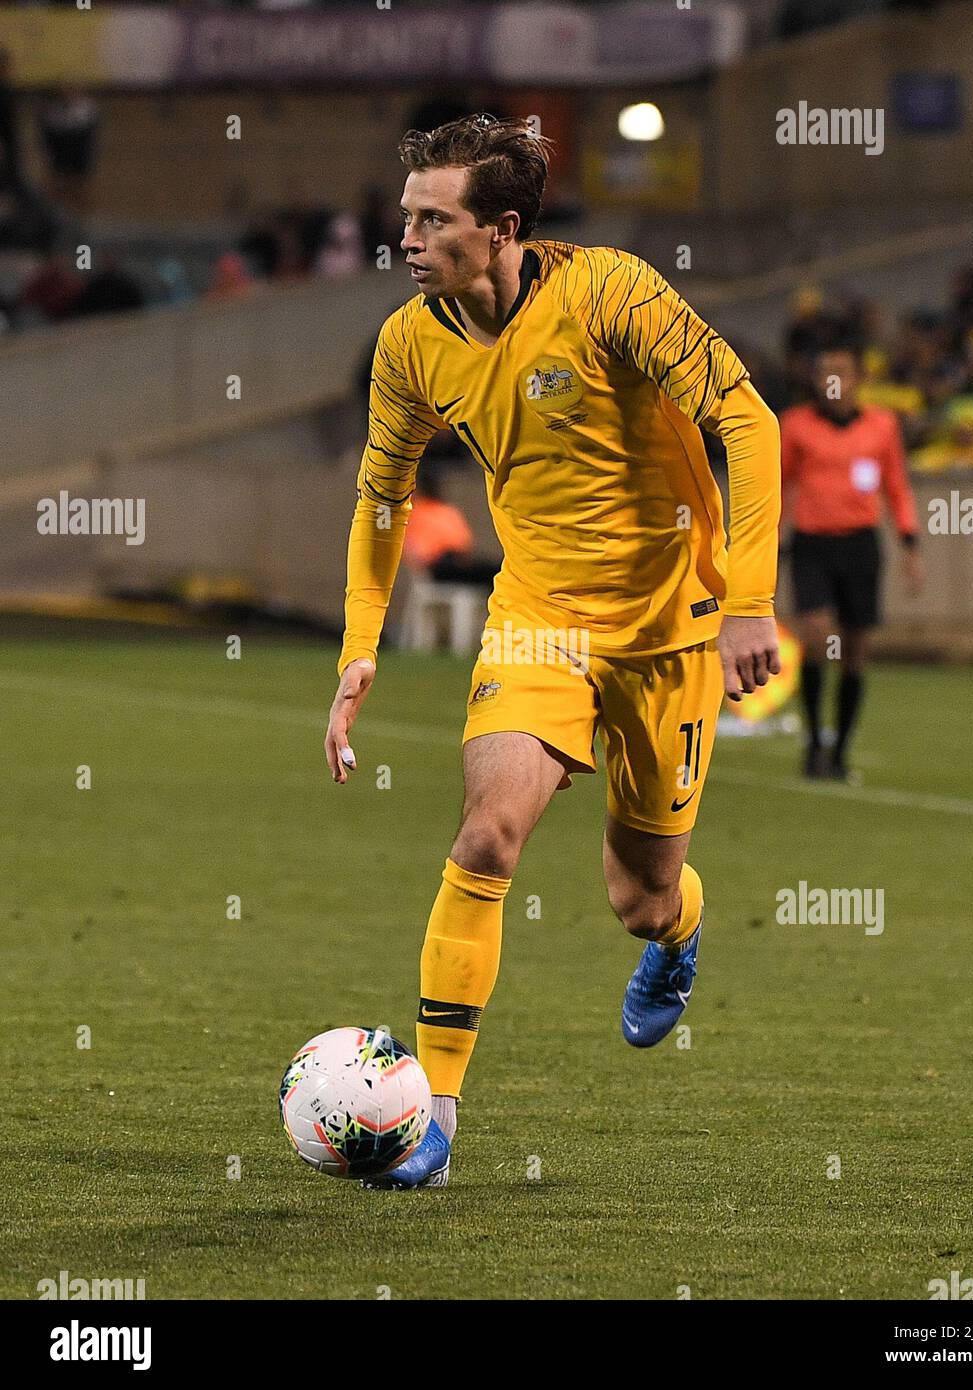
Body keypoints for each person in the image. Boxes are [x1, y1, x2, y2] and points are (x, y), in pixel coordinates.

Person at [324, 114, 781, 1187]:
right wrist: (359, 645)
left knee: (640, 895)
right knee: (486, 832)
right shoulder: (409, 344)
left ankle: (681, 927)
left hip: (668, 629)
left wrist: (751, 603)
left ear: (500, 229)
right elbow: (380, 495)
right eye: (406, 216)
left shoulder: (610, 293)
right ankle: (432, 1123)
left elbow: (747, 419)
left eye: (433, 220)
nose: (408, 236)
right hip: (535, 619)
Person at [780, 339, 923, 781]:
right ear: (817, 380)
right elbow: (776, 483)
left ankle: (840, 751)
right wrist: (770, 538)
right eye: (827, 372)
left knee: (856, 651)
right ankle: (813, 744)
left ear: (859, 380)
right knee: (818, 636)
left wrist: (909, 543)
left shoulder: (881, 426)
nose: (835, 381)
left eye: (843, 372)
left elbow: (896, 484)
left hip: (861, 546)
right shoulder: (796, 425)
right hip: (812, 545)